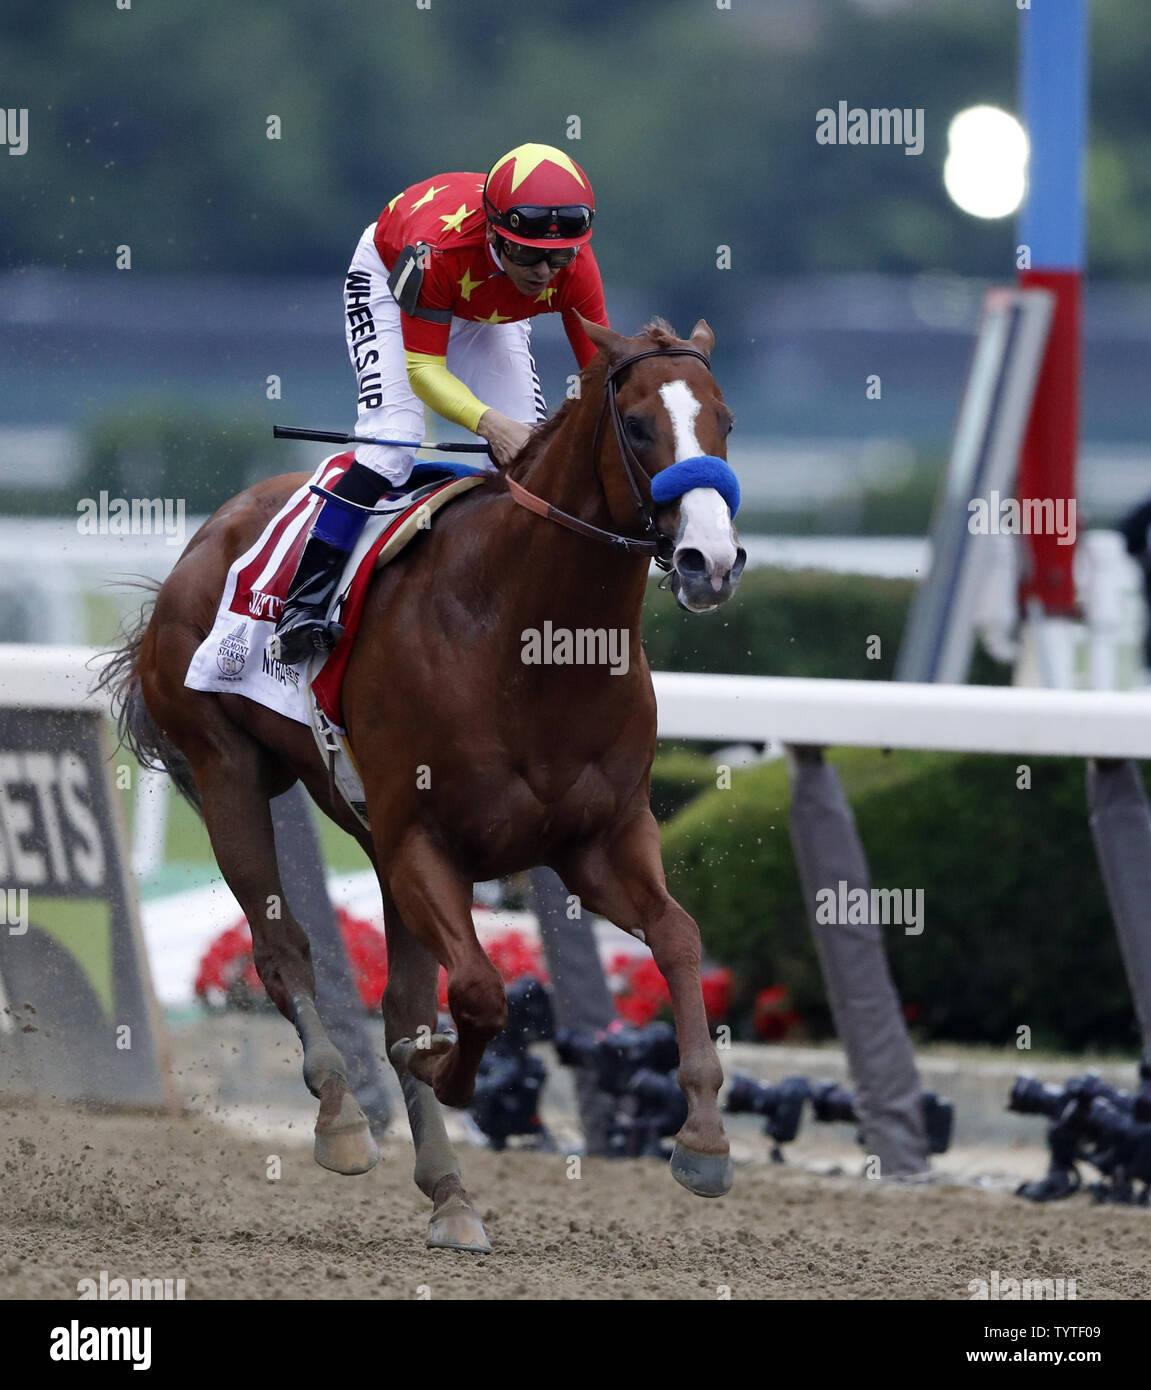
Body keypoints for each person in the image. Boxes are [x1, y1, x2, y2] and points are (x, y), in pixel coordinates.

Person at [269, 141, 610, 664]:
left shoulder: (573, 264)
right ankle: (303, 603)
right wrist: (487, 423)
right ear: (496, 231)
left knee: (534, 460)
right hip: (396, 282)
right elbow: (425, 370)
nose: (544, 273)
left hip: (483, 302)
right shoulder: (440, 251)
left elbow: (600, 375)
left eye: (559, 256)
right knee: (394, 443)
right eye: (527, 254)